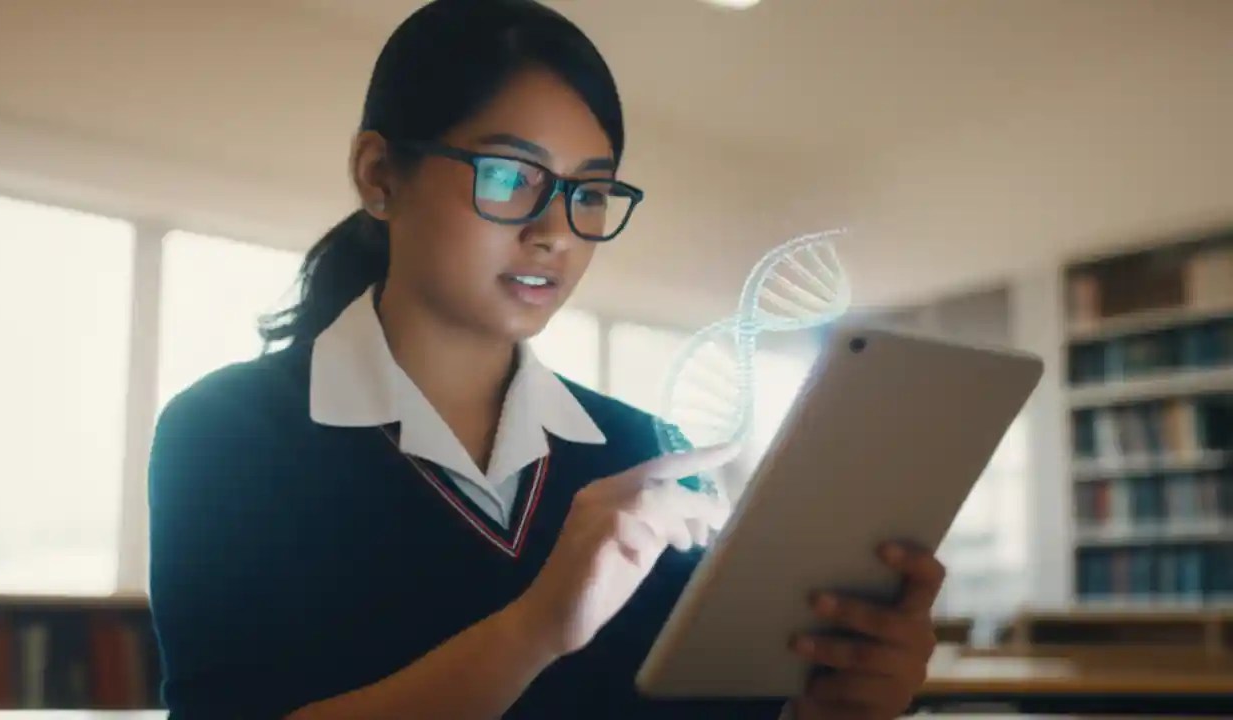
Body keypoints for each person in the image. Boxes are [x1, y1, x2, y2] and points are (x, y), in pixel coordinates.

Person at [147, 1, 944, 718]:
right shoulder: (229, 433)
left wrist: (837, 705)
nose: (555, 231)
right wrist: (536, 627)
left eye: (588, 192)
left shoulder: (647, 455)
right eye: (509, 175)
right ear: (380, 175)